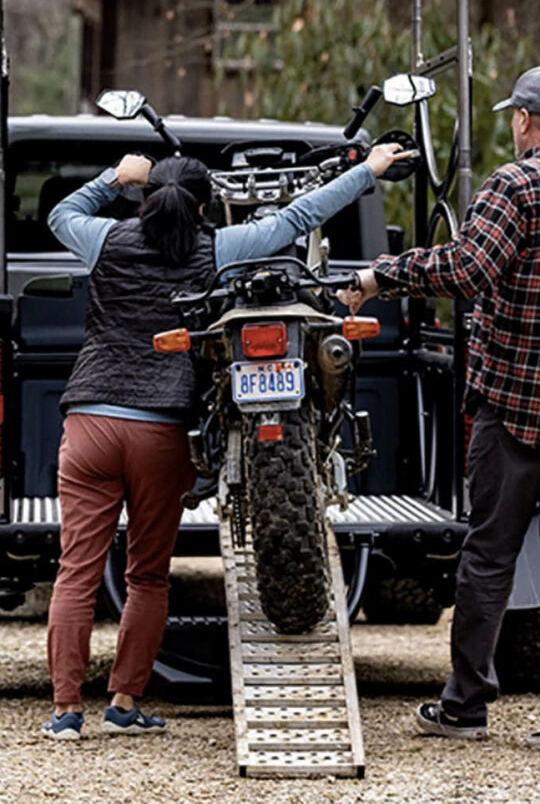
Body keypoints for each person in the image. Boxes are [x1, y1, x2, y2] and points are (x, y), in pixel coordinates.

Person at [339, 65, 540, 752]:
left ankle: (464, 705)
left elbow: (466, 271)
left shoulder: (513, 187)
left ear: (523, 120)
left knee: (488, 553)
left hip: (516, 408)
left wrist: (378, 277)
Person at [40, 139, 412, 741]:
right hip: (159, 431)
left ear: (148, 197)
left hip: (89, 427)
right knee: (147, 576)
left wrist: (114, 177)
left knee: (76, 571)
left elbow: (60, 215)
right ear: (203, 207)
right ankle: (124, 703)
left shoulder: (104, 240)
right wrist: (366, 173)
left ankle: (64, 713)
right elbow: (297, 219)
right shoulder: (218, 248)